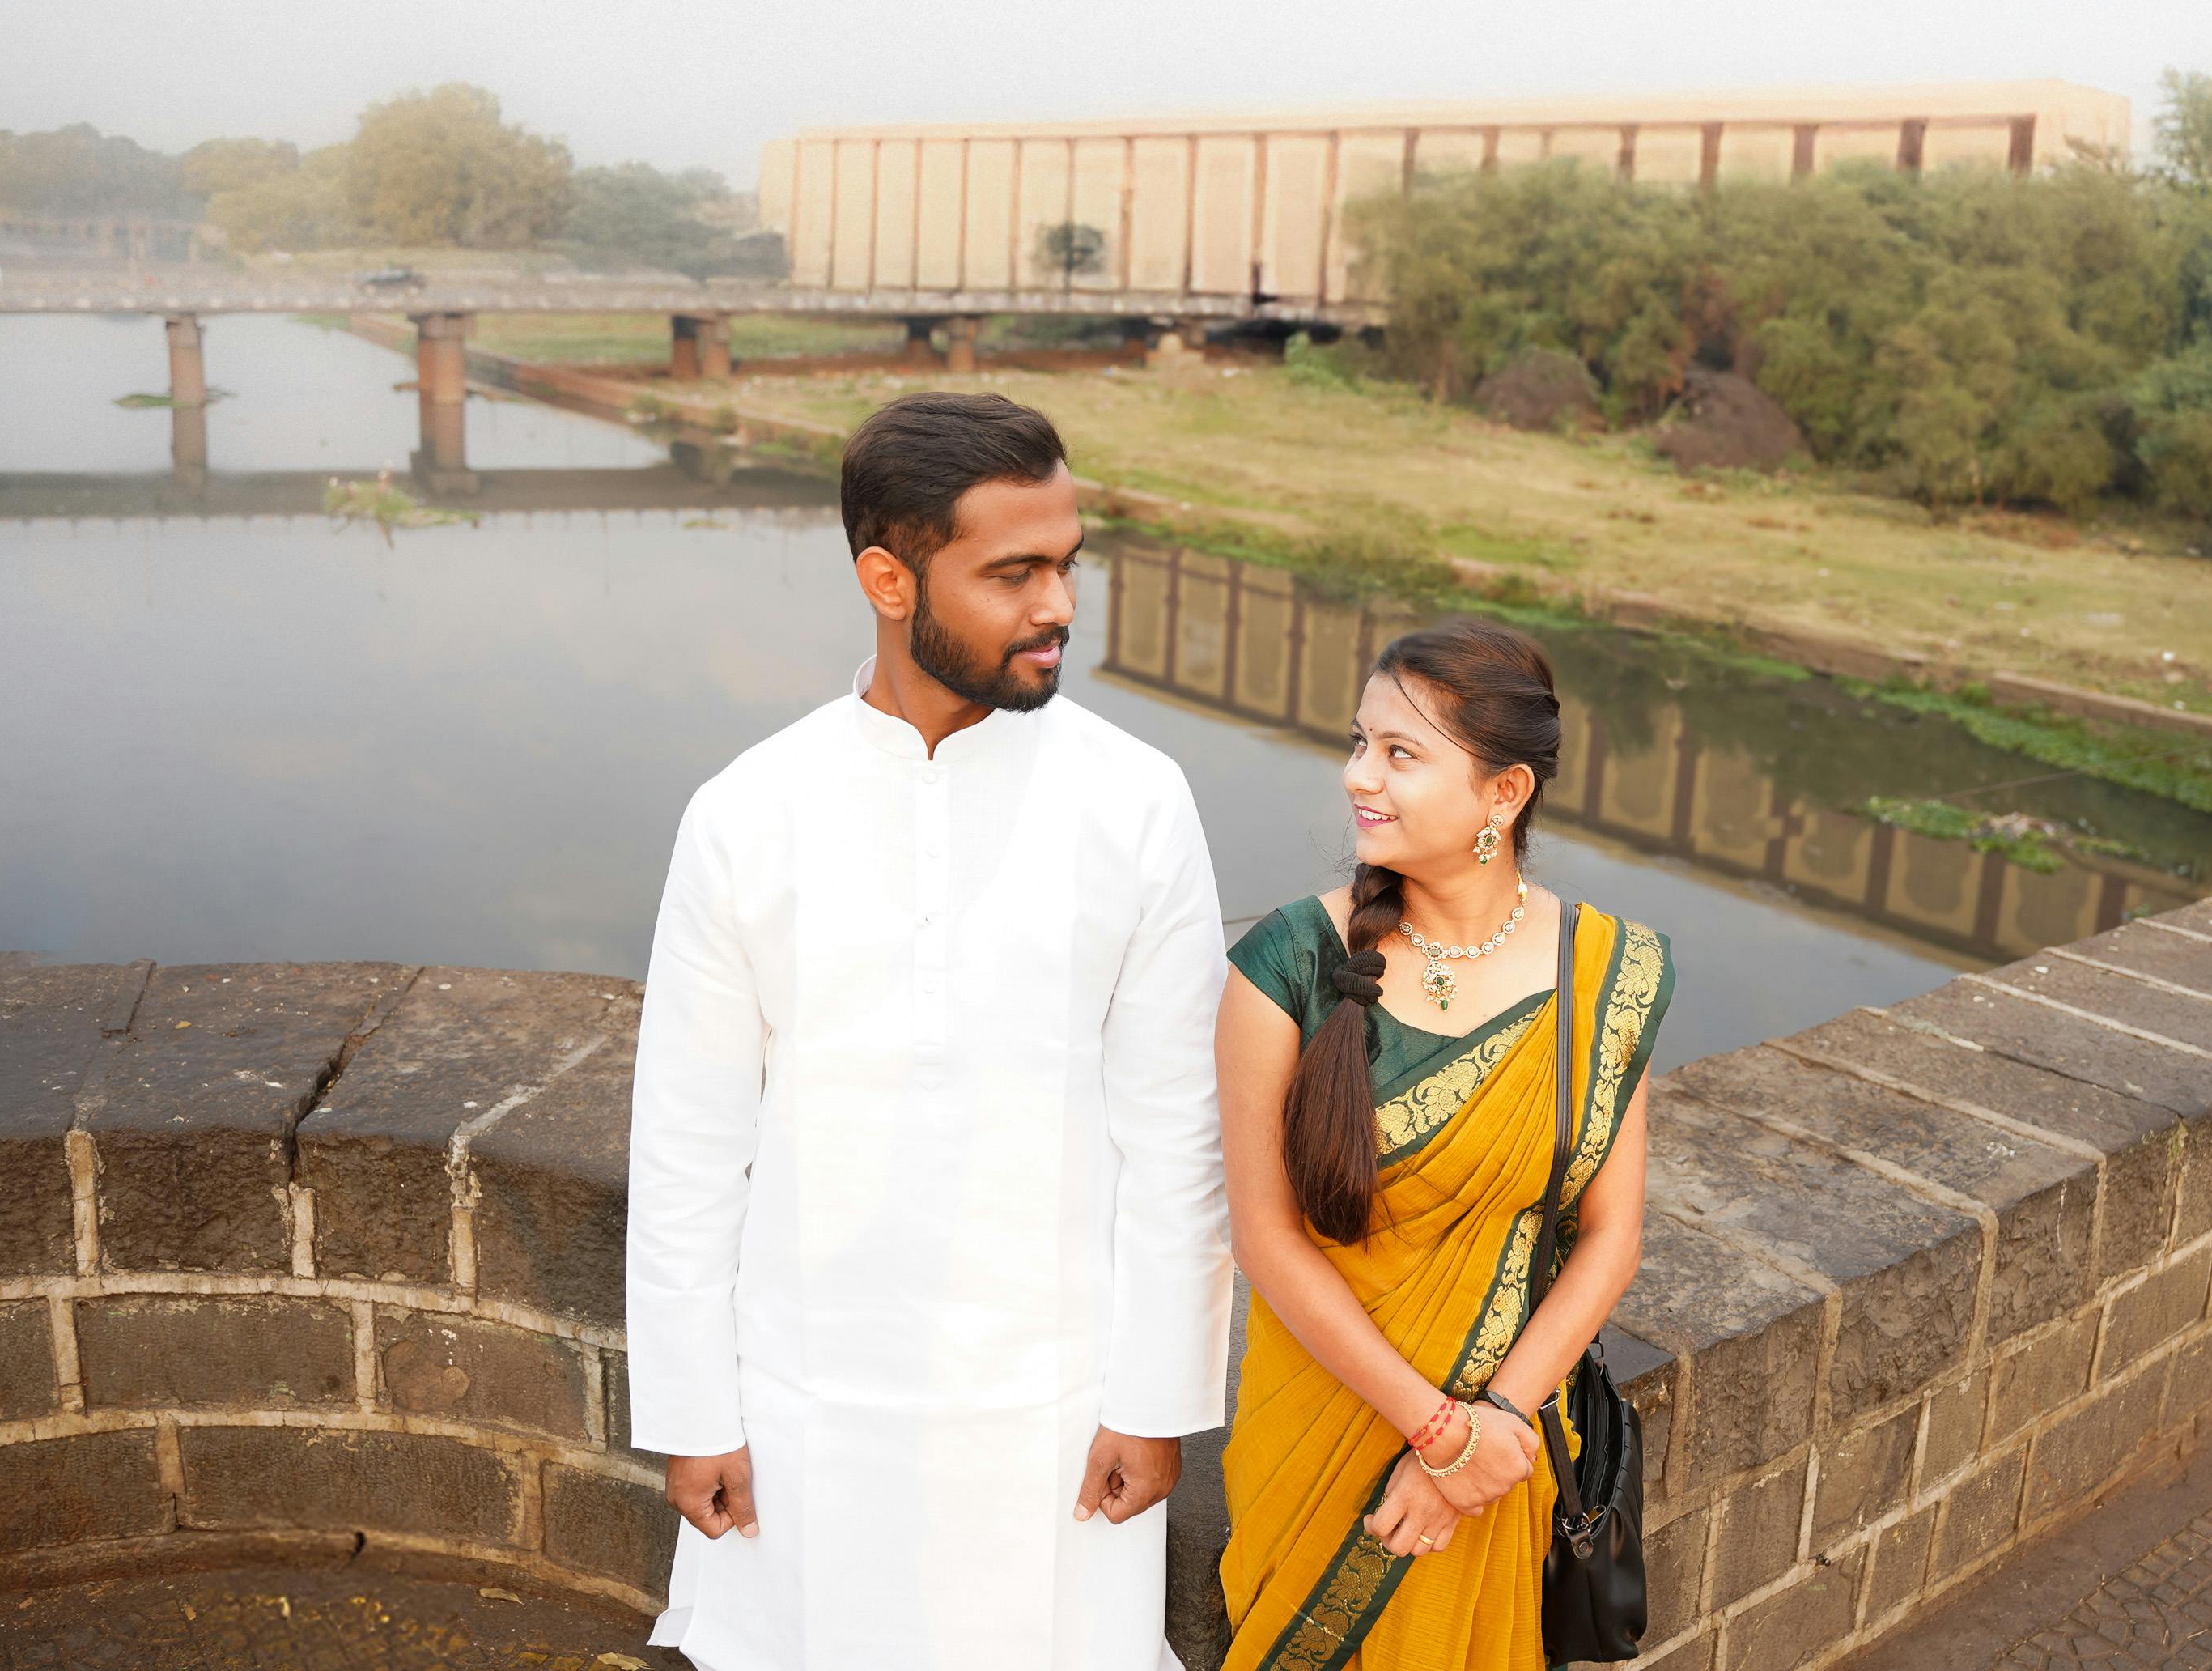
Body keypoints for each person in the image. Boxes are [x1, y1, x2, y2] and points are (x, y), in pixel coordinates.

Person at [626, 392, 1234, 1671]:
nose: (1059, 605)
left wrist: (1159, 1397)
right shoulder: (749, 814)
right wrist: (693, 1408)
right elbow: (690, 1139)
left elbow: (1178, 1132)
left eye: (1067, 564)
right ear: (888, 579)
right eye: (1013, 573)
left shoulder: (1137, 802)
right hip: (808, 1404)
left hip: (1056, 1414)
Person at [1215, 617, 1669, 1671]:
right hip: (1323, 1445)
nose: (1357, 777)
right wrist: (1438, 1431)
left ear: (1503, 794)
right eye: (1359, 741)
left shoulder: (1606, 974)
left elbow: (1611, 1234)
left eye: (1400, 754)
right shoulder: (1284, 963)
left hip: (1497, 1469)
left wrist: (1492, 1425)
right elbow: (1265, 1236)